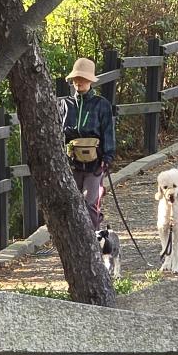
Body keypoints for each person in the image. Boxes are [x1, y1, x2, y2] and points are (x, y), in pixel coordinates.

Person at [61, 57, 116, 232]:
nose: (79, 82)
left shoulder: (102, 105)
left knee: (90, 202)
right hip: (72, 162)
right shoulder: (64, 105)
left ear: (90, 81)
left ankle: (93, 239)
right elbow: (59, 134)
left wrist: (107, 157)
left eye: (83, 79)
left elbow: (108, 132)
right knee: (73, 203)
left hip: (95, 163)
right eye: (76, 79)